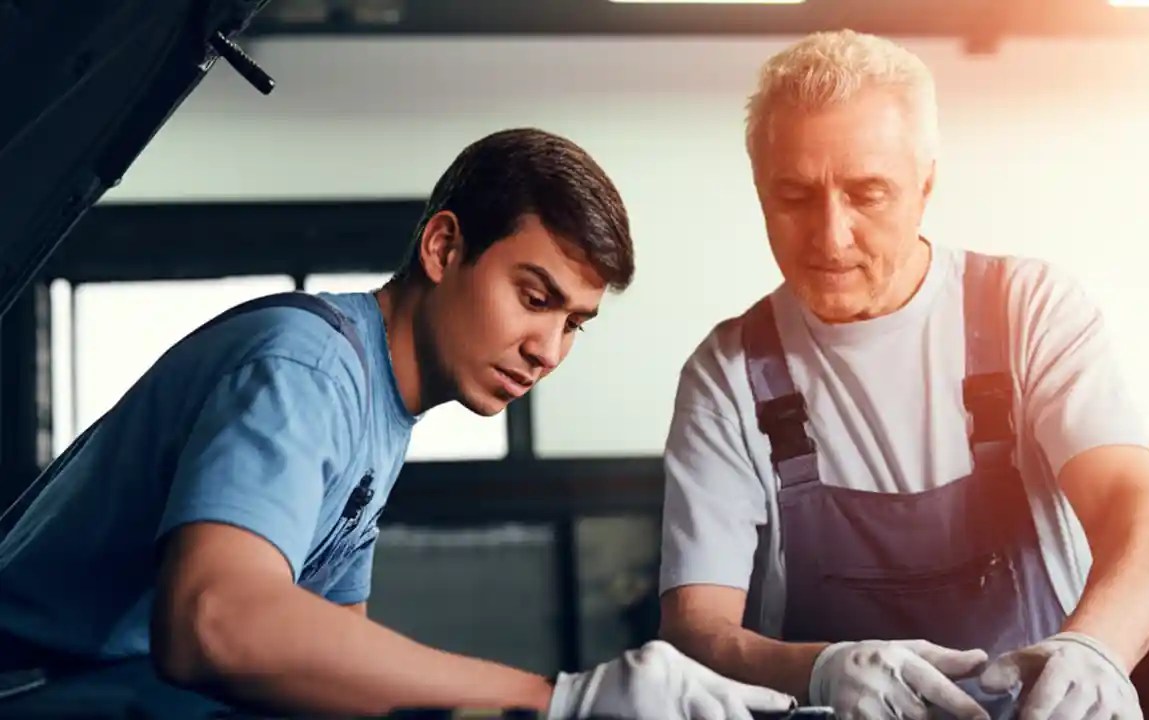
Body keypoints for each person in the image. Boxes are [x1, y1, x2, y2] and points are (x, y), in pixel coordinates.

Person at [0, 128, 794, 720]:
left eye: (575, 323)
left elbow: (325, 664)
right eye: (534, 296)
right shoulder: (307, 369)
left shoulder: (381, 416)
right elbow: (214, 623)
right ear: (444, 246)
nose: (548, 350)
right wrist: (557, 700)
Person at [656, 31, 1149, 720]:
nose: (830, 236)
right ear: (759, 189)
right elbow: (697, 629)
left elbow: (1136, 510)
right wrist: (814, 670)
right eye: (794, 196)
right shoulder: (728, 375)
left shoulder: (1027, 309)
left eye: (867, 193)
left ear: (926, 182)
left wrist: (1096, 649)